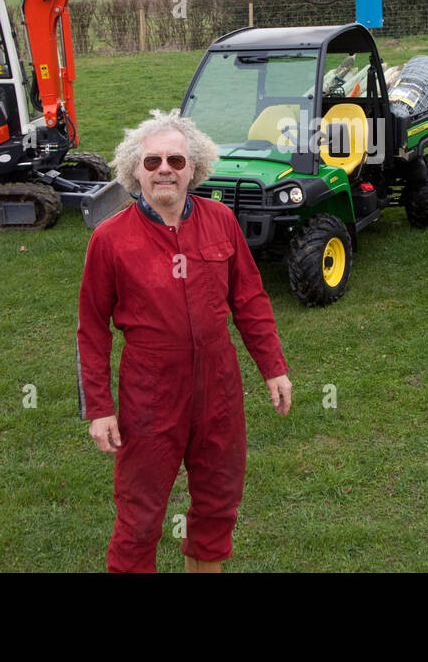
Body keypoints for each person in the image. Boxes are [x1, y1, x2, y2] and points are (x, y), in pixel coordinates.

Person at [76, 109, 292, 573]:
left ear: (194, 167)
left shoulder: (221, 221)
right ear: (135, 170)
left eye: (176, 160)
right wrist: (99, 407)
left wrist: (273, 366)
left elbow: (250, 298)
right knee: (140, 516)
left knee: (218, 504)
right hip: (149, 392)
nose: (164, 170)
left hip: (219, 387)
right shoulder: (110, 240)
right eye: (152, 162)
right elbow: (91, 328)